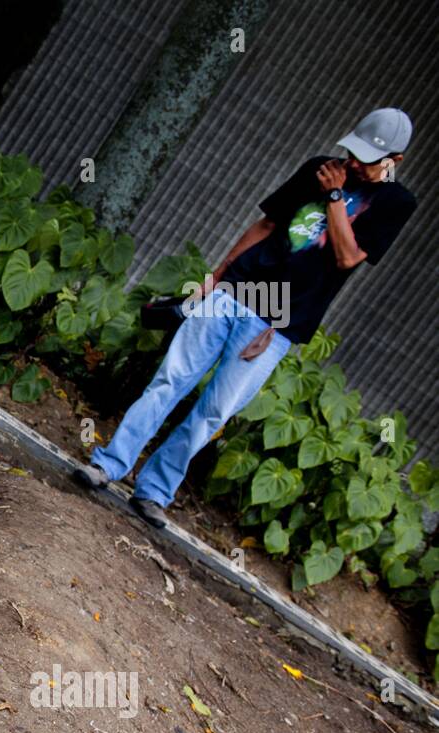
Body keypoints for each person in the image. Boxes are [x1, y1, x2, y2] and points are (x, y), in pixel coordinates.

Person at [74, 108, 418, 527]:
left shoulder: (396, 203)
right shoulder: (318, 169)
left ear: (393, 162)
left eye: (365, 159)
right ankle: (108, 465)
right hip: (237, 288)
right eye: (352, 151)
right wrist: (216, 277)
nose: (351, 163)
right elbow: (268, 224)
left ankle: (153, 491)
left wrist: (333, 197)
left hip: (277, 319)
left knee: (214, 411)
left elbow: (347, 256)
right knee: (170, 381)